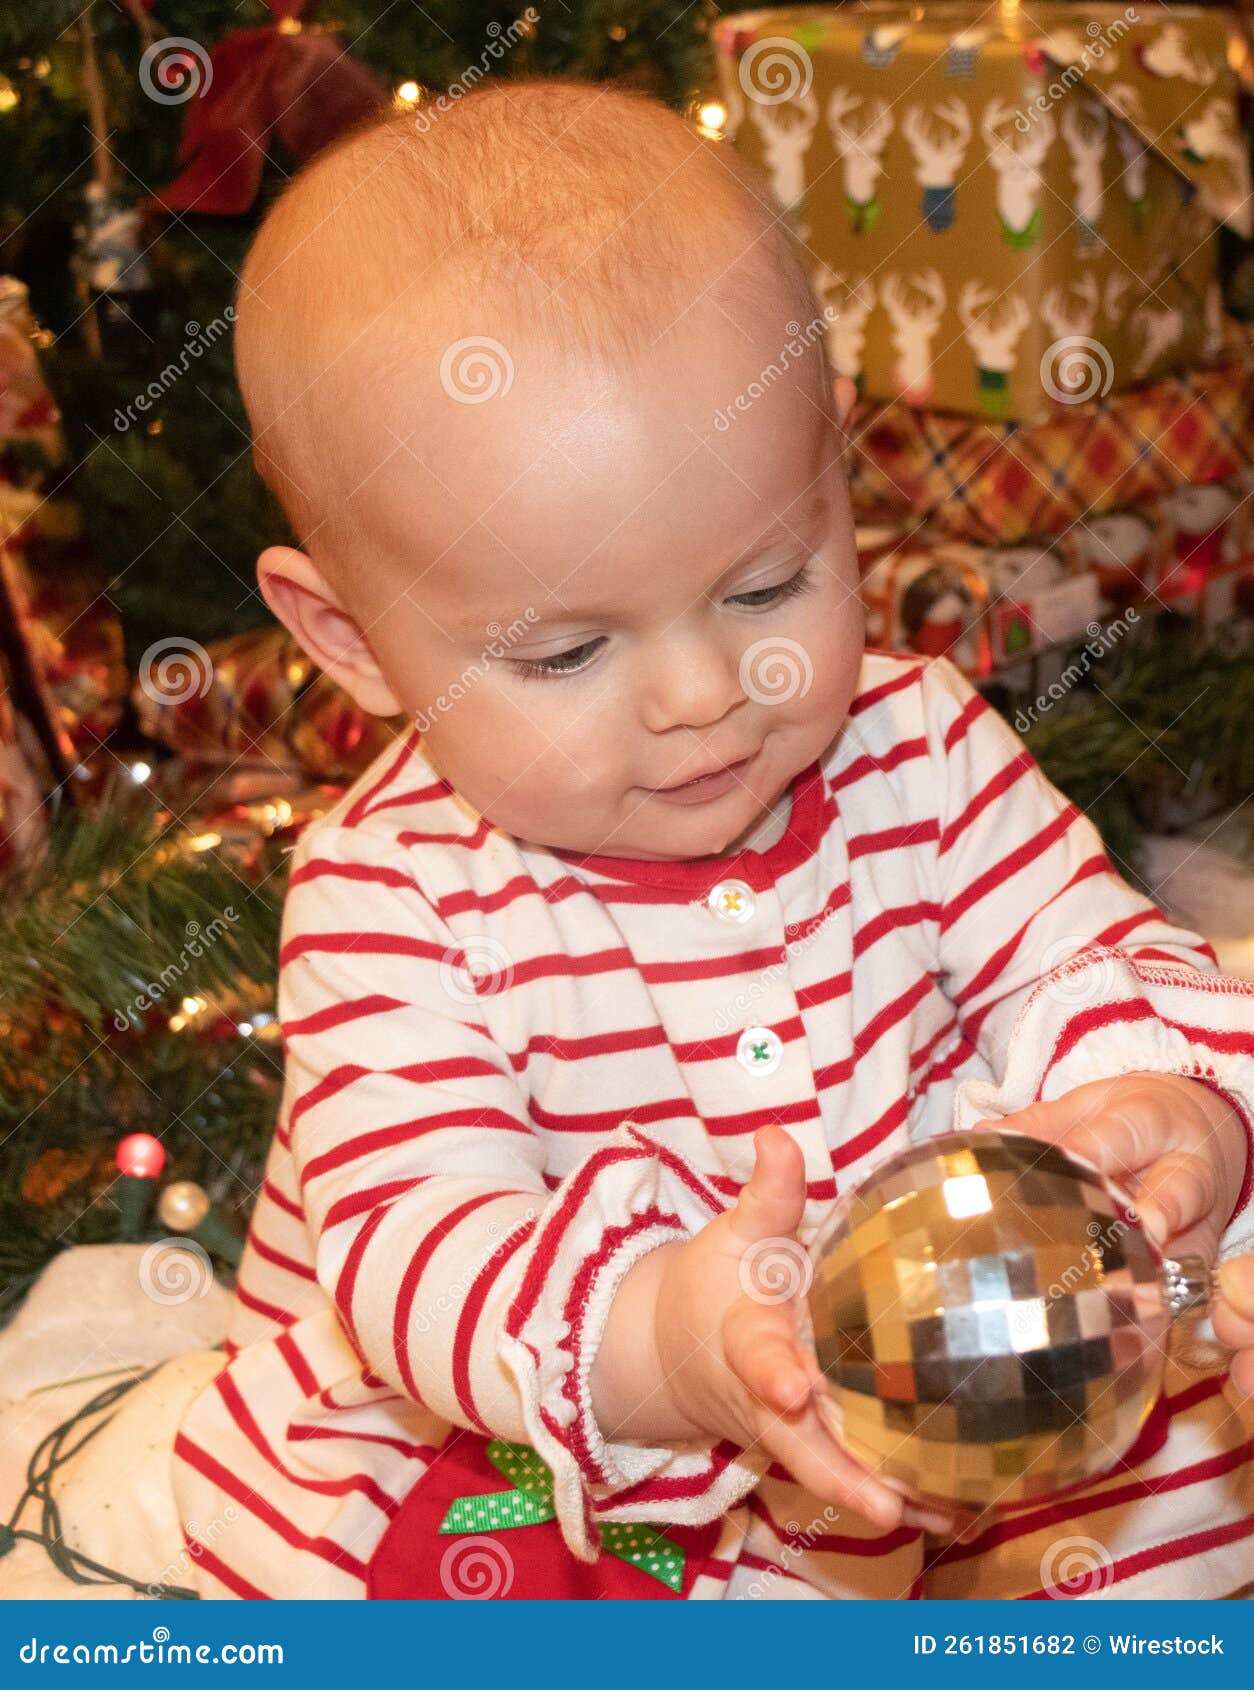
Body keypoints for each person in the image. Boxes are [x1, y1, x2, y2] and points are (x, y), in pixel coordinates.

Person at [172, 77, 1254, 1600]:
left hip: (977, 1332)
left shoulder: (920, 741)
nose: (703, 696)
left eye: (766, 586)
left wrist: (1165, 1110)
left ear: (834, 475)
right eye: (565, 653)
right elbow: (416, 1244)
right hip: (617, 1423)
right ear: (346, 637)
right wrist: (668, 1345)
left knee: (1180, 1456)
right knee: (480, 1569)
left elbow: (1089, 961)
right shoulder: (391, 894)